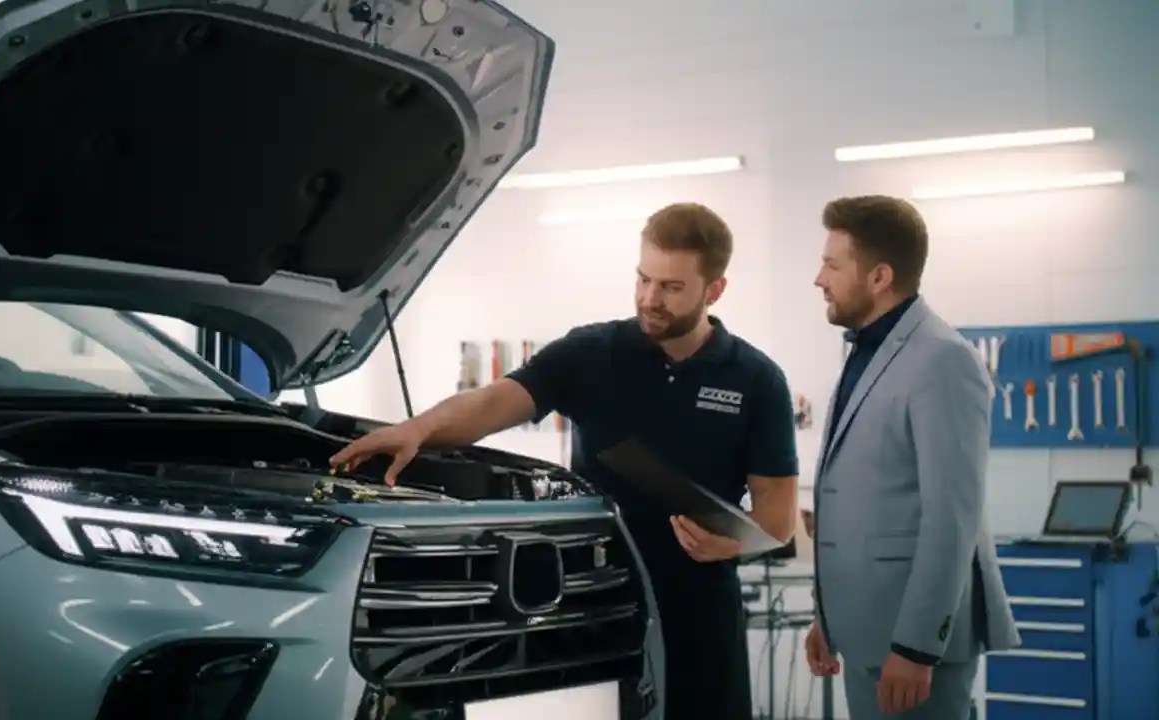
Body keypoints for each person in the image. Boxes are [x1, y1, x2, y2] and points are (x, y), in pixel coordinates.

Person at [329, 202, 800, 720]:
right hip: (592, 604)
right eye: (643, 279)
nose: (650, 298)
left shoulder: (756, 380)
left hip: (700, 611)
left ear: (715, 289)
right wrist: (418, 429)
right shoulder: (592, 353)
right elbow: (494, 402)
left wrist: (734, 544)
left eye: (671, 287)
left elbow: (776, 519)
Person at [804, 195, 1020, 719]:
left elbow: (952, 517)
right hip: (863, 631)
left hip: (909, 647)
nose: (819, 279)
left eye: (832, 265)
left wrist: (918, 645)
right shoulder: (868, 351)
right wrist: (827, 616)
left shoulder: (943, 360)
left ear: (879, 277)